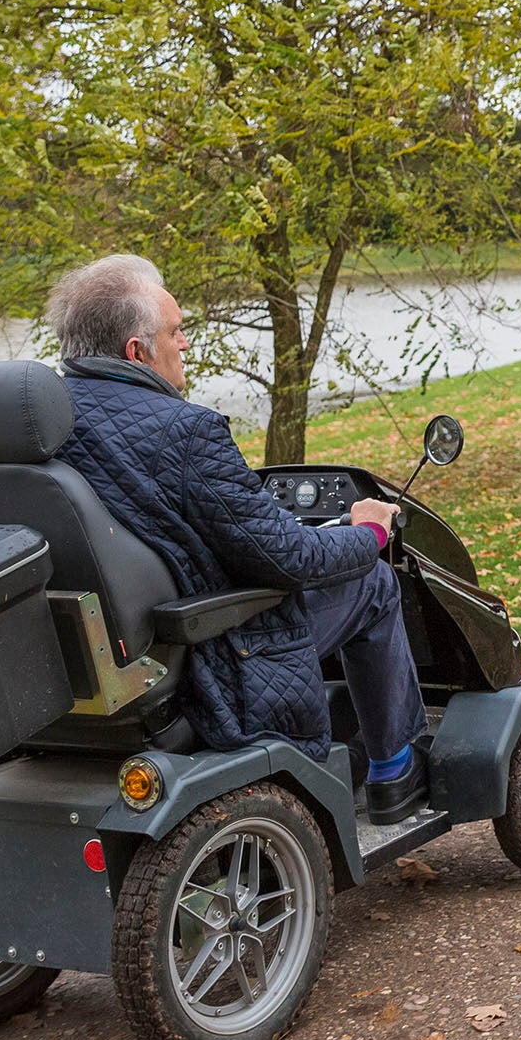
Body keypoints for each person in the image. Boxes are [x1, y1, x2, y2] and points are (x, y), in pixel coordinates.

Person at [41, 254, 433, 824]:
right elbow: (291, 558)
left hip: (88, 657)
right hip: (207, 654)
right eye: (176, 333)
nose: (185, 347)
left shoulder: (41, 428)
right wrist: (368, 531)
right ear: (136, 351)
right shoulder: (187, 431)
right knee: (371, 582)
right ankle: (394, 772)